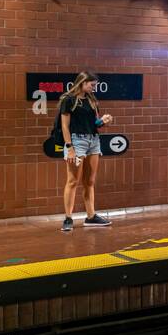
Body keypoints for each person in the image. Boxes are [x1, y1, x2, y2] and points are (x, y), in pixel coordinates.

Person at [57, 71, 114, 231]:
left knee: (89, 181)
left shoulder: (91, 99)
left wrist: (103, 121)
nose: (94, 88)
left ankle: (91, 216)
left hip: (93, 141)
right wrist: (70, 148)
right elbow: (64, 126)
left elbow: (94, 124)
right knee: (73, 181)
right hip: (77, 141)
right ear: (82, 82)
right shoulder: (68, 100)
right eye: (92, 85)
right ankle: (68, 218)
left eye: (95, 85)